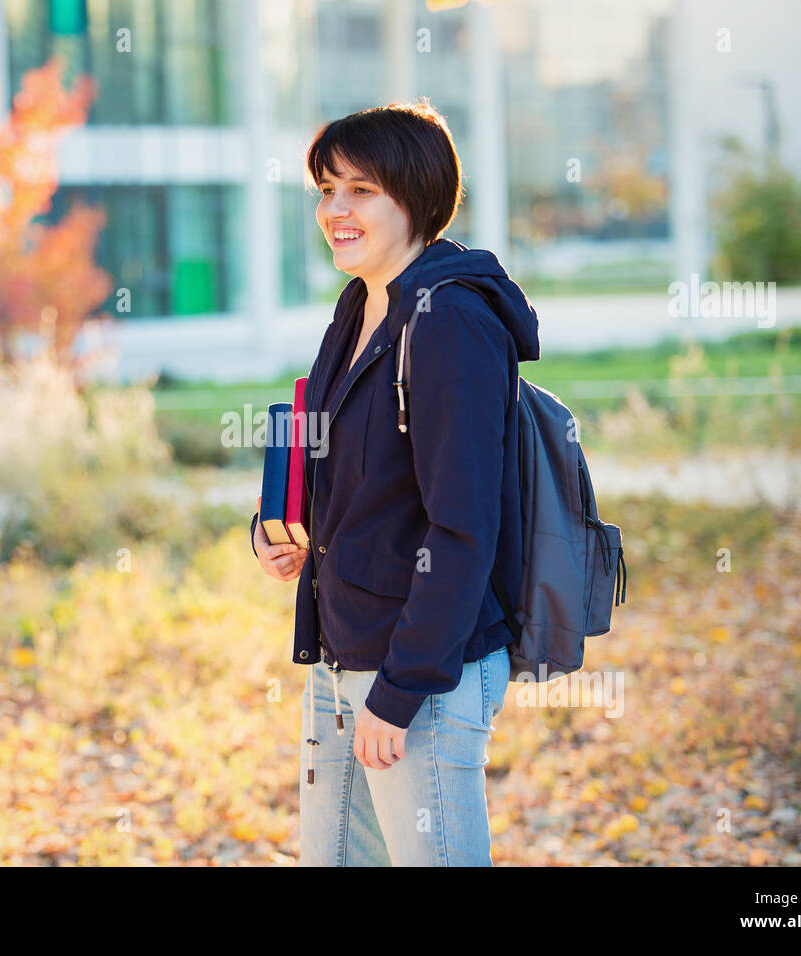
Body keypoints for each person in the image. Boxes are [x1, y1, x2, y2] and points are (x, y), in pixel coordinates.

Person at [250, 99, 541, 866]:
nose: (334, 210)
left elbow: (463, 527)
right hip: (342, 652)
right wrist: (278, 528)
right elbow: (350, 470)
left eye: (360, 190)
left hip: (418, 675)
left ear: (415, 196)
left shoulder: (449, 322)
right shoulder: (359, 306)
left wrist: (402, 689)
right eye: (325, 190)